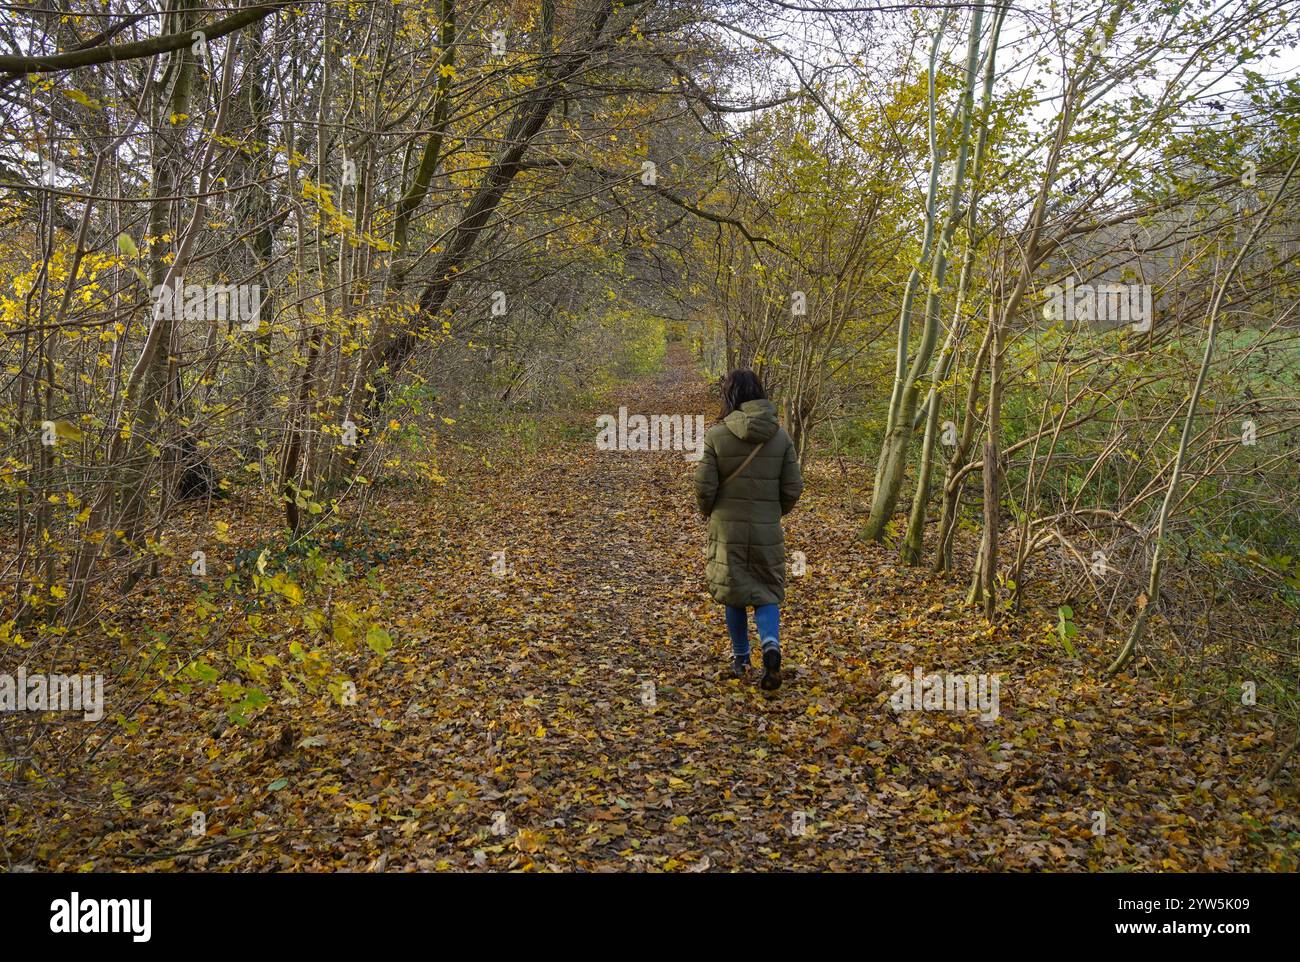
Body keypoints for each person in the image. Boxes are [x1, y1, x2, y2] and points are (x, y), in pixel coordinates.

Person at [694, 370, 803, 689]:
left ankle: (741, 659)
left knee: (735, 592)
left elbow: (704, 486)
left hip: (728, 530)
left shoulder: (717, 435)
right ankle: (771, 645)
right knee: (767, 590)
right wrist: (774, 512)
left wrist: (710, 512)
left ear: (732, 396)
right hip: (767, 528)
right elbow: (793, 487)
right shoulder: (781, 437)